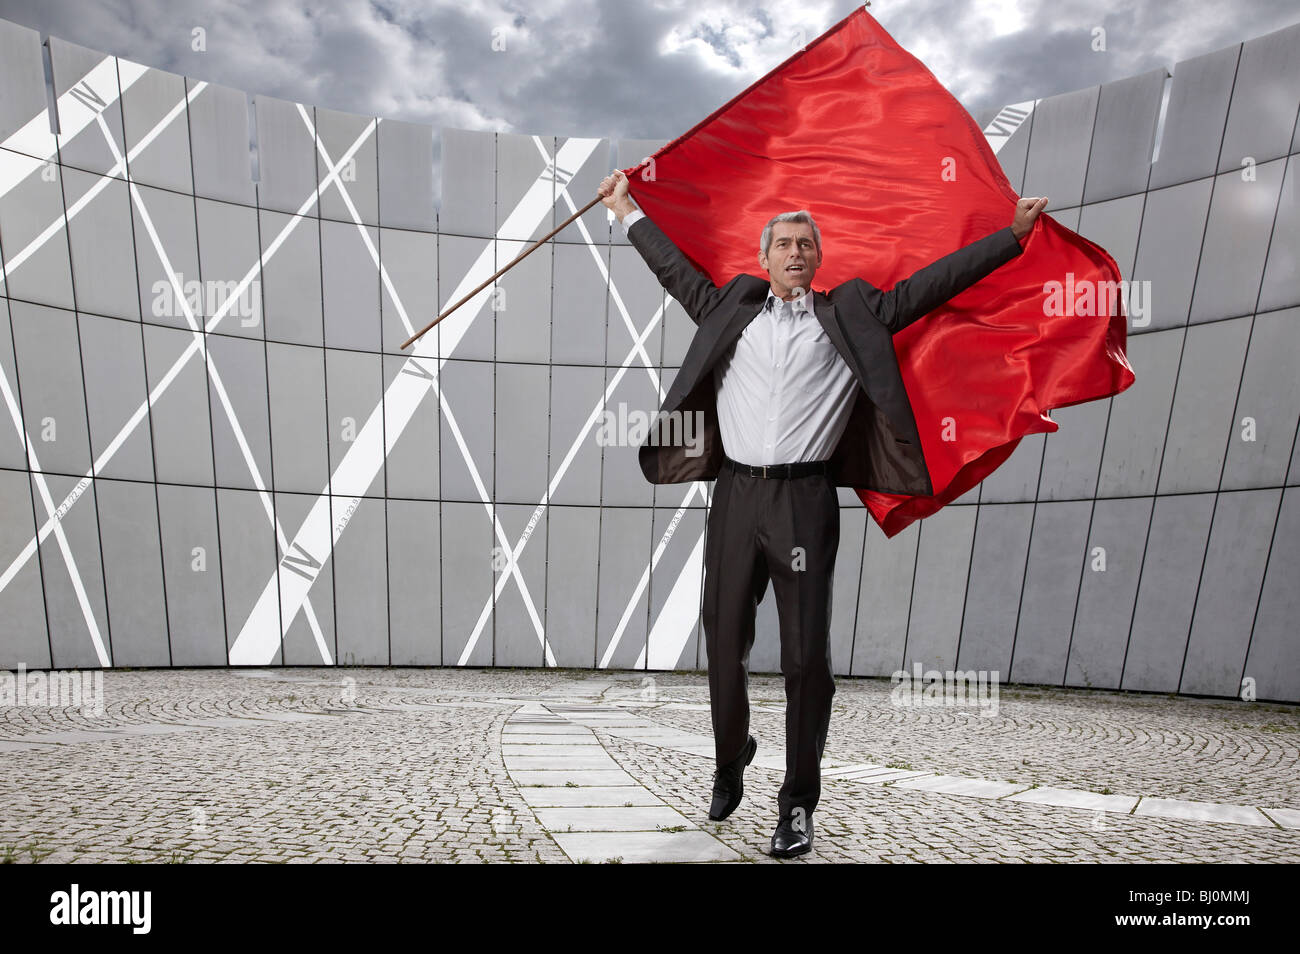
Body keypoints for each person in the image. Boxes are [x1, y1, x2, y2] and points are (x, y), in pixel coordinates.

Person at [598, 168, 1046, 858]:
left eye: (805, 244)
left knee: (806, 659)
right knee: (722, 638)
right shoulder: (730, 306)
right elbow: (673, 271)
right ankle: (730, 754)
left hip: (804, 502)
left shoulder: (852, 313)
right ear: (764, 257)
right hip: (736, 496)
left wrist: (1010, 238)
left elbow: (931, 286)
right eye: (784, 243)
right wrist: (625, 209)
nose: (795, 252)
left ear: (818, 257)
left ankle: (797, 806)